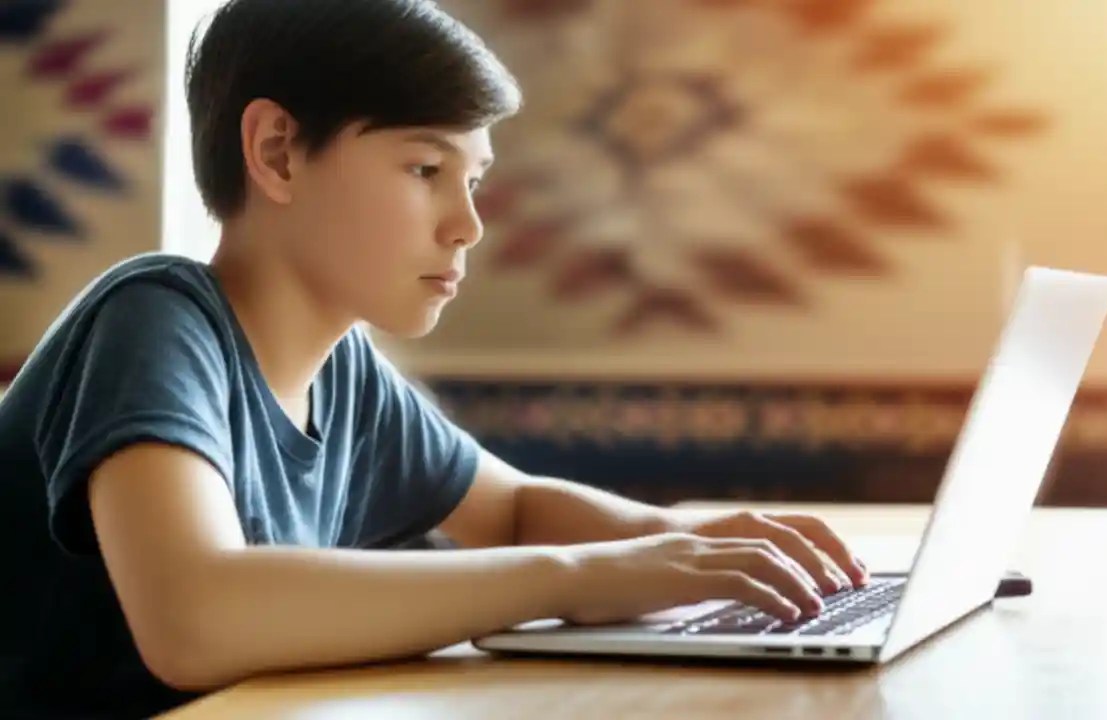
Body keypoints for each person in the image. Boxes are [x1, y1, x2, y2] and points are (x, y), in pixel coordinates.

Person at [0, 1, 869, 716]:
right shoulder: (155, 318)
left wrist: (690, 546)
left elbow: (517, 509)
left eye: (473, 179)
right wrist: (576, 577)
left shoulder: (344, 373)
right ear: (274, 152)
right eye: (424, 168)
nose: (468, 224)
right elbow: (195, 619)